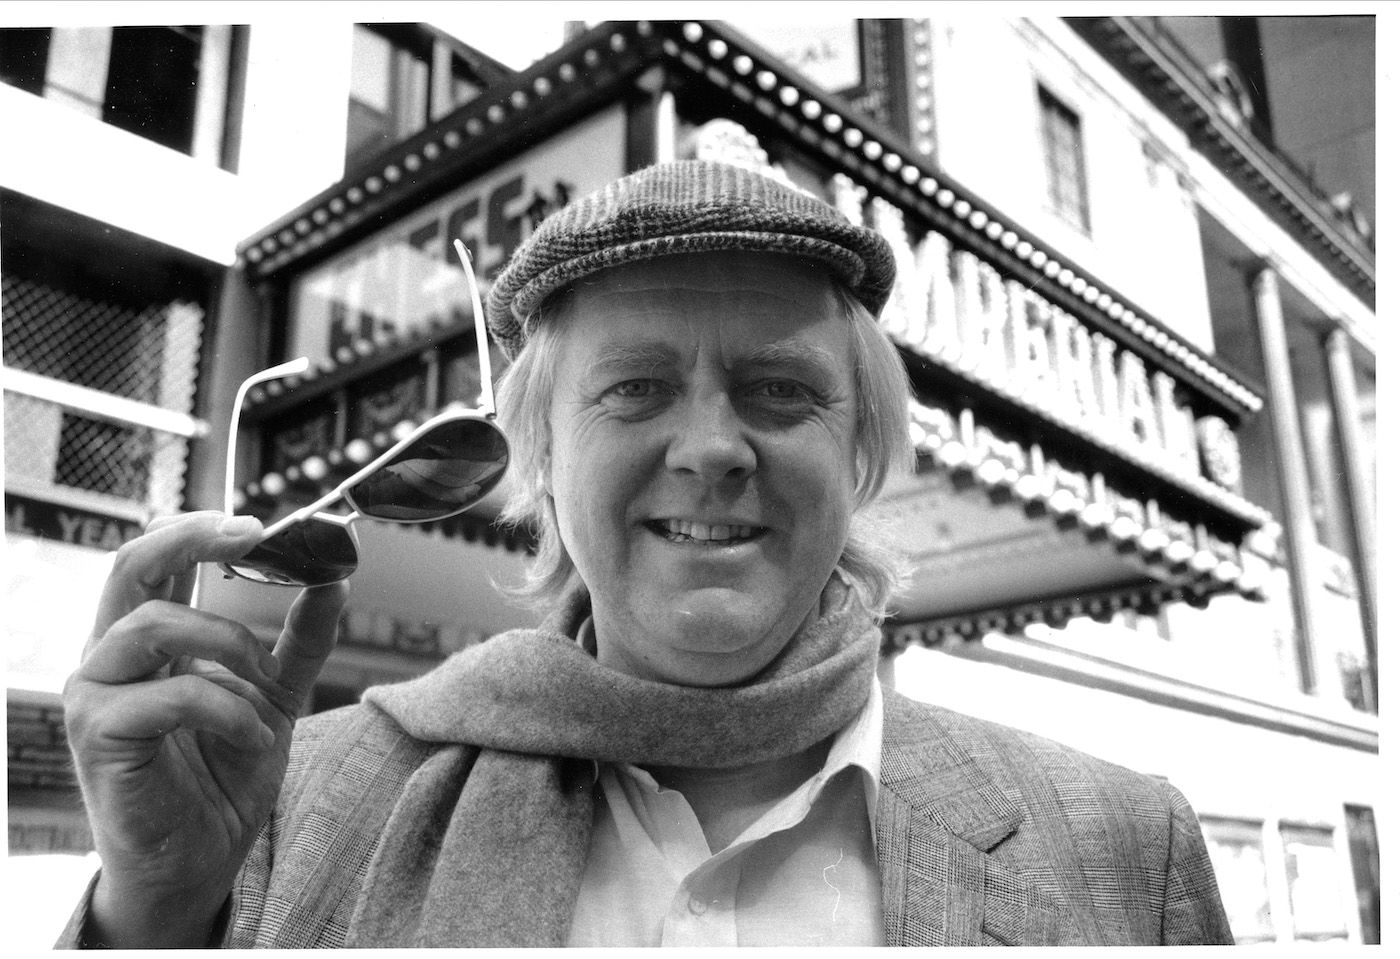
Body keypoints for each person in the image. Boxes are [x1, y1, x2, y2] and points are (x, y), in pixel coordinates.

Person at [59, 160, 1233, 947]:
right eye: (635, 388)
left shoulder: (1127, 847)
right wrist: (152, 920)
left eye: (779, 389)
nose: (714, 446)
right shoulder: (289, 809)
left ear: (860, 448)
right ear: (544, 456)